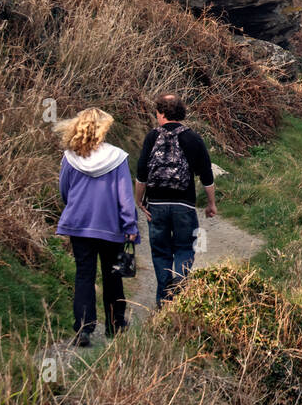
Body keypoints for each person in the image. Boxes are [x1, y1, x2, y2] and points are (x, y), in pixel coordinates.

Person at [54, 108, 141, 347]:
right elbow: (125, 196)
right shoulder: (117, 157)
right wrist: (130, 225)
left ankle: (83, 328)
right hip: (111, 226)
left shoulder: (70, 157)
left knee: (84, 275)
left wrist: (76, 209)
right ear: (103, 129)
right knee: (113, 275)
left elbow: (64, 190)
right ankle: (115, 325)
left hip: (80, 226)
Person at [135, 94, 216, 306]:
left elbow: (141, 173)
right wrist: (211, 204)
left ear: (161, 113)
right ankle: (179, 292)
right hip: (184, 205)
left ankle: (164, 300)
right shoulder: (194, 138)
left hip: (157, 205)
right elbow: (206, 175)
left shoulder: (152, 137)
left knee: (161, 252)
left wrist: (139, 201)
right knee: (185, 248)